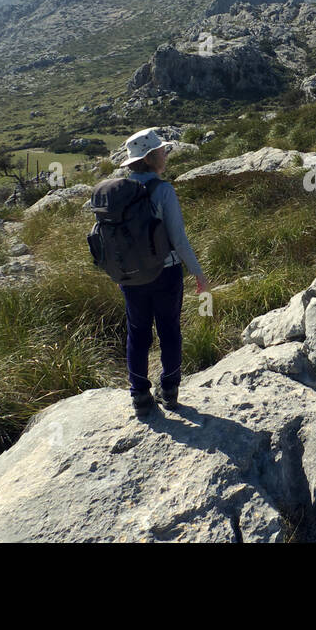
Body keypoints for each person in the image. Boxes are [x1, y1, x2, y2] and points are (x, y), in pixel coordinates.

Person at [116, 128, 208, 416]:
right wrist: (199, 274)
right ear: (149, 158)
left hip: (131, 277)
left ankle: (140, 396)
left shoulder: (119, 191)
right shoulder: (163, 190)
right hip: (165, 273)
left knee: (137, 333)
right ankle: (169, 390)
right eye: (161, 151)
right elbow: (178, 239)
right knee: (169, 331)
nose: (165, 155)